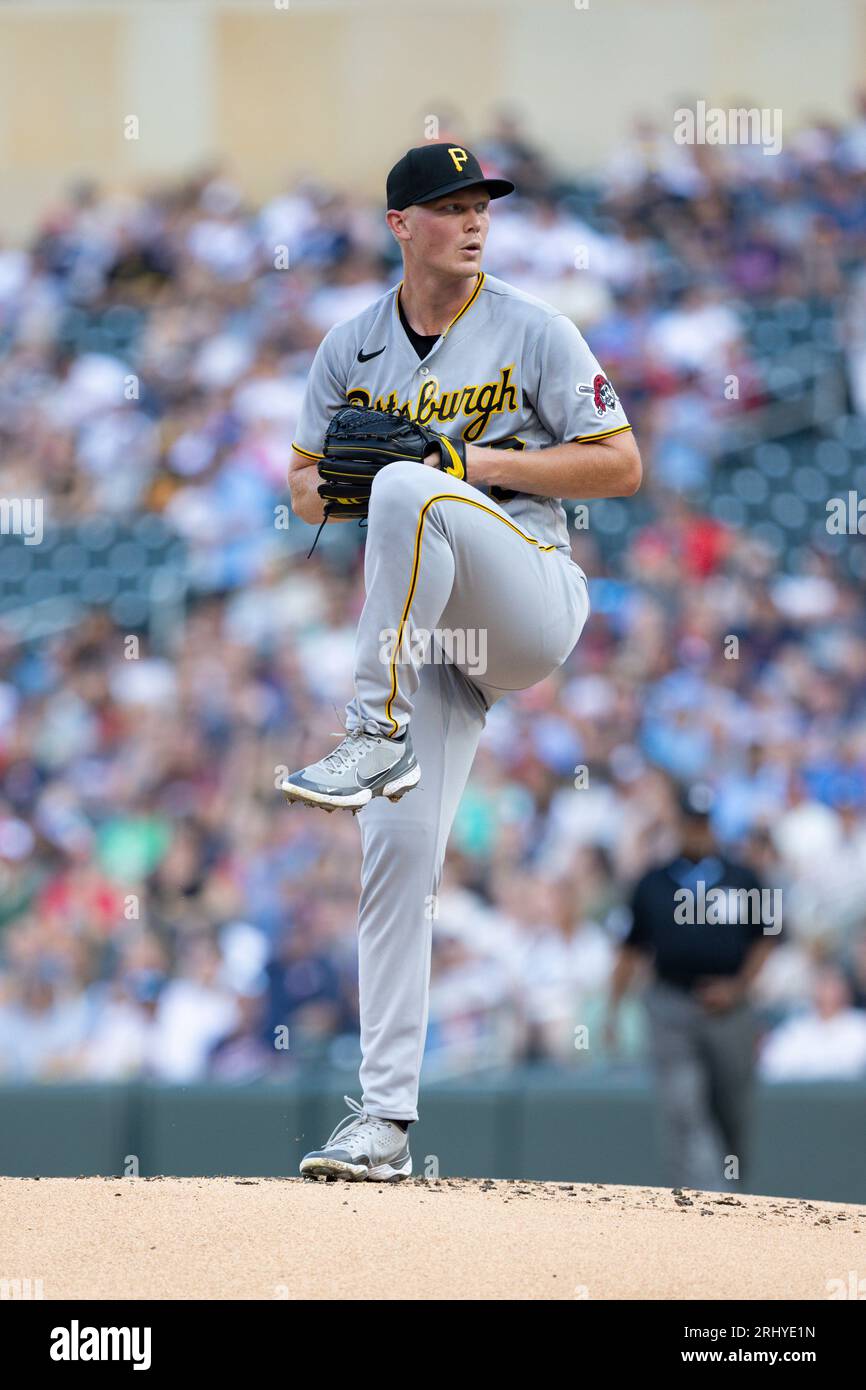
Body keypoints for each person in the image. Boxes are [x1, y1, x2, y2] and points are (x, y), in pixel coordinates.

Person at [284, 143, 641, 1181]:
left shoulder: (532, 327)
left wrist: (462, 461)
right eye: (447, 205)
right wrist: (353, 481)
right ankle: (384, 1124)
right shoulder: (349, 346)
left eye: (479, 202)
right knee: (393, 865)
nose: (472, 219)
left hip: (526, 587)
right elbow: (305, 489)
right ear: (400, 224)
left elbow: (620, 463)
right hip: (429, 635)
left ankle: (368, 731)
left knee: (405, 485)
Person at [605, 783, 779, 1192]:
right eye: (690, 822)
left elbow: (768, 937)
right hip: (671, 1006)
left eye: (704, 823)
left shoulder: (746, 877)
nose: (698, 831)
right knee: (683, 1107)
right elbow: (630, 951)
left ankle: (734, 1198)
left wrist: (738, 988)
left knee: (732, 1112)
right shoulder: (652, 883)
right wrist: (613, 1011)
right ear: (679, 825)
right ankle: (699, 1205)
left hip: (729, 1011)